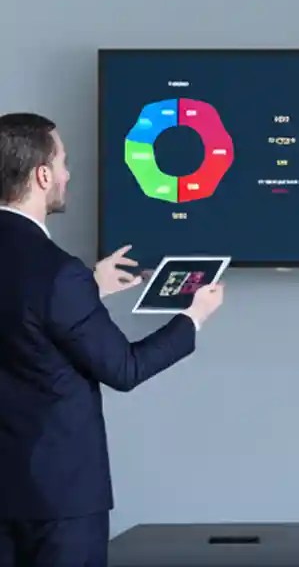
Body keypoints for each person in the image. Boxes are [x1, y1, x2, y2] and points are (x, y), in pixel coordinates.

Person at [0, 113, 225, 567]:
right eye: (62, 162)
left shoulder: (58, 277)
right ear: (42, 175)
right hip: (58, 502)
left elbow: (22, 318)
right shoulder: (56, 272)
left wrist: (90, 286)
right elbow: (125, 368)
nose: (67, 174)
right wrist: (192, 317)